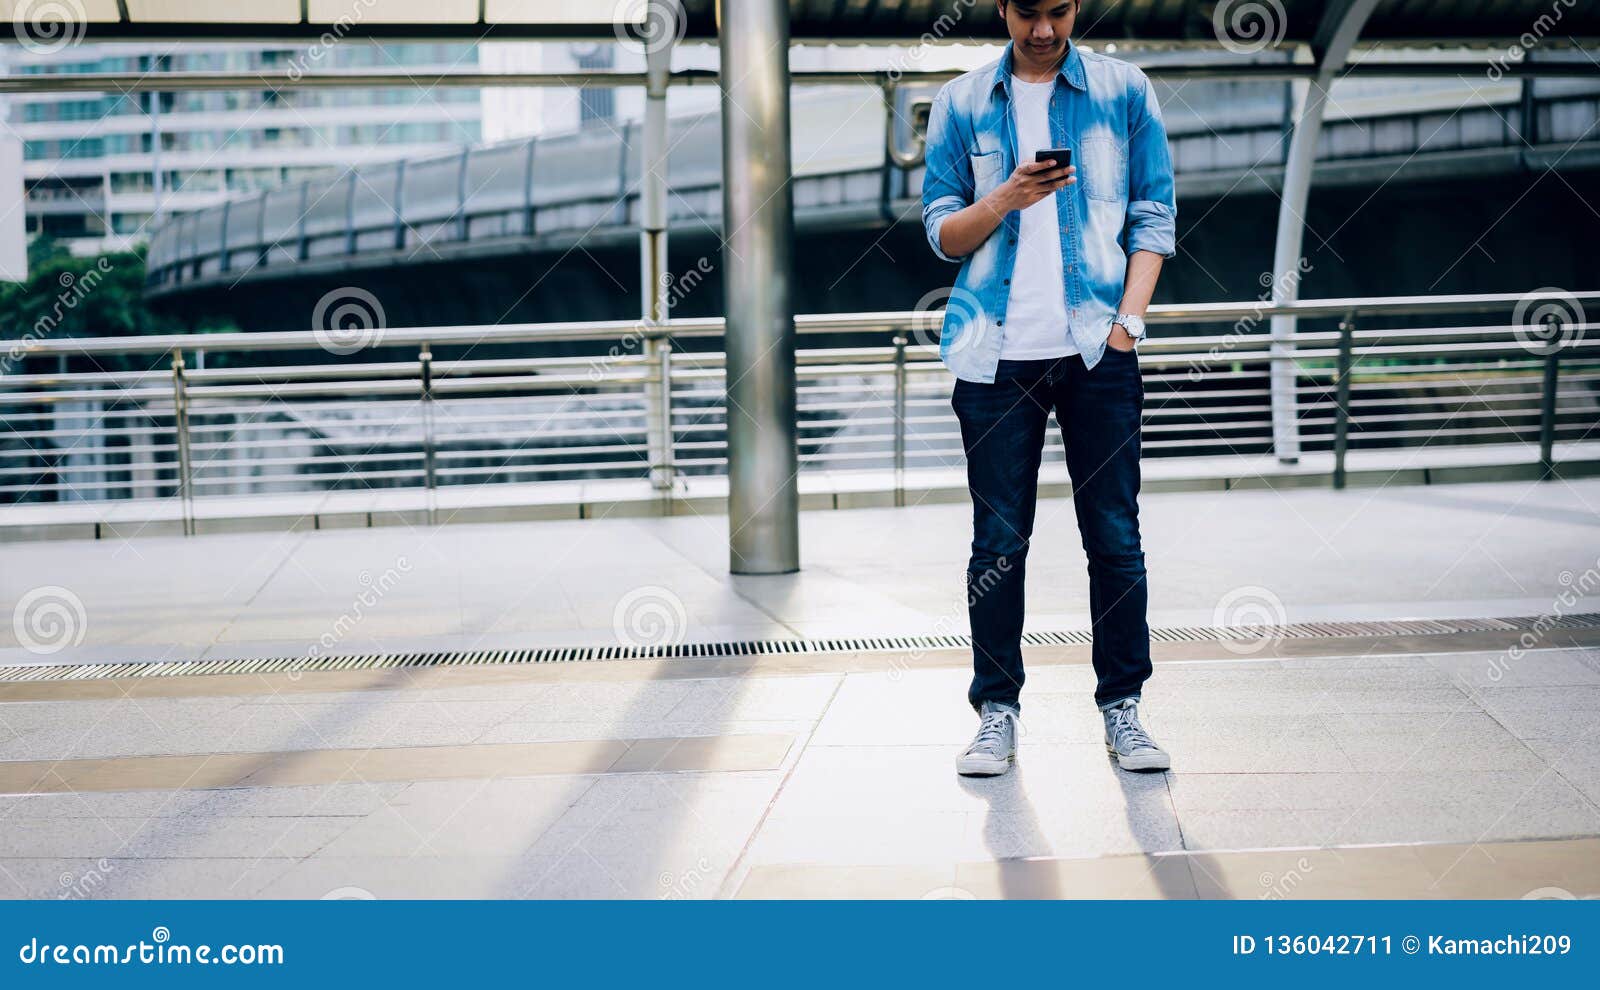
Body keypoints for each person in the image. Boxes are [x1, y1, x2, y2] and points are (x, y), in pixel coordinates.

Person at [919, 0, 1177, 776]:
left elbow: (1153, 215)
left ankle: (1123, 711)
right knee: (998, 543)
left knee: (1116, 538)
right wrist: (1006, 197)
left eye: (1058, 11)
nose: (1042, 30)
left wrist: (1128, 324)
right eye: (1026, 12)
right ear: (1002, 7)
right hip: (993, 356)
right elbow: (940, 234)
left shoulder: (1124, 90)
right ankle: (996, 713)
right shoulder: (961, 102)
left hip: (1097, 349)